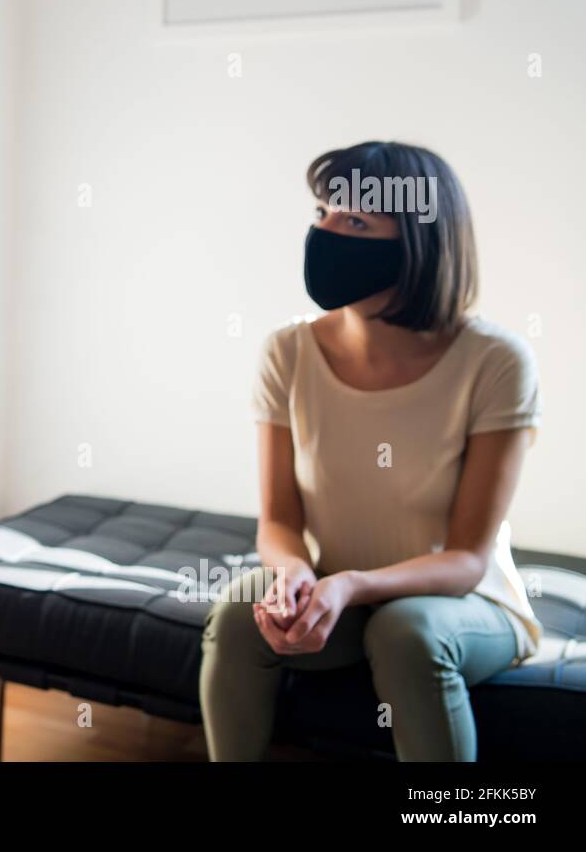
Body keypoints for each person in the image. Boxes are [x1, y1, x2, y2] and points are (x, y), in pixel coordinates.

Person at [199, 141, 541, 761]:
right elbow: (278, 520)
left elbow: (466, 558)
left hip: (467, 604)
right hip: (342, 592)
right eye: (323, 212)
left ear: (418, 241)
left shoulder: (495, 362)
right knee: (239, 610)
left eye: (355, 221)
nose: (326, 232)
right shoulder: (289, 351)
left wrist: (351, 586)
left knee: (406, 631)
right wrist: (294, 575)